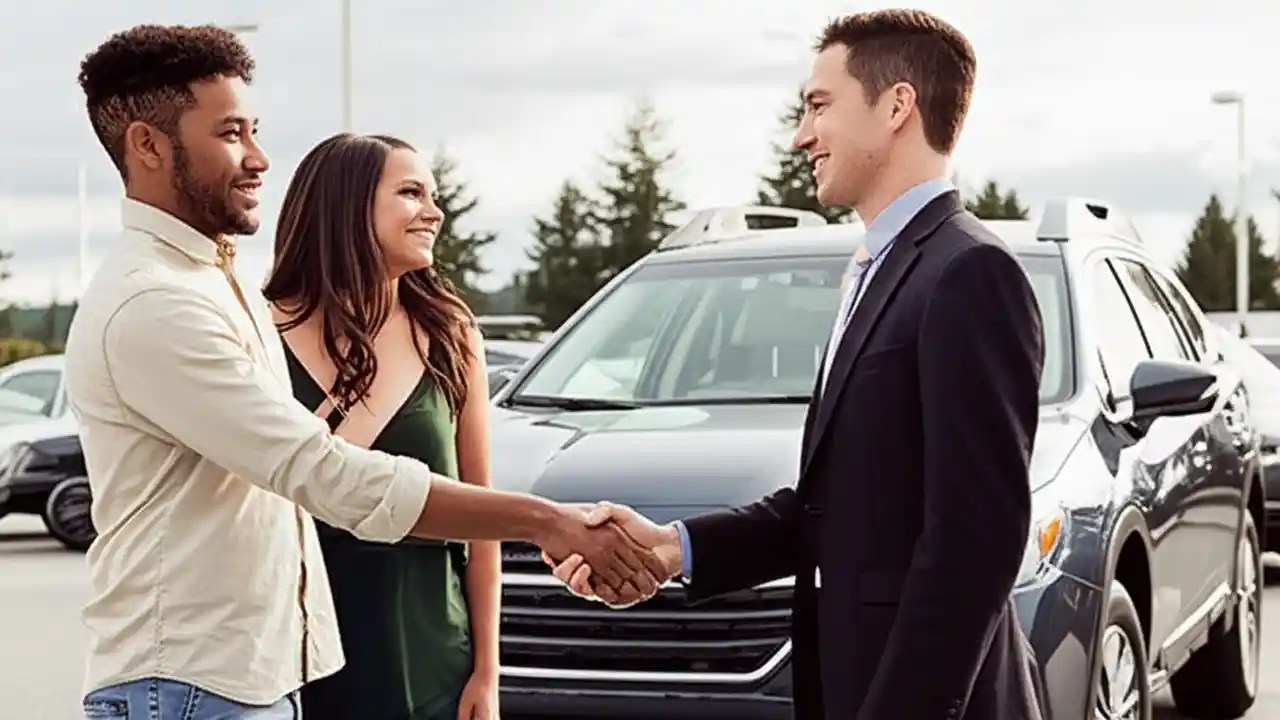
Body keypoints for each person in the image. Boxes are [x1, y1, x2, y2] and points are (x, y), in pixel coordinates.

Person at [67, 24, 663, 720]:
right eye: (231, 133)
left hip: (252, 679)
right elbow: (325, 473)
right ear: (146, 144)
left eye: (255, 130)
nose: (260, 158)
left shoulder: (211, 282)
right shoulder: (156, 303)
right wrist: (546, 521)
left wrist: (488, 663)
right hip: (192, 688)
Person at [549, 9, 1047, 719]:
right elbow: (842, 507)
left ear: (897, 106)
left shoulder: (969, 273)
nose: (801, 135)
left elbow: (976, 542)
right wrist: (671, 548)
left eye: (819, 106)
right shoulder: (881, 268)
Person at [260, 132, 497, 720]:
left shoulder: (451, 335)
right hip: (289, 656)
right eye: (412, 193)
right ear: (349, 204)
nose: (435, 212)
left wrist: (488, 674)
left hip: (431, 659)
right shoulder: (258, 333)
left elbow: (482, 518)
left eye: (433, 195)